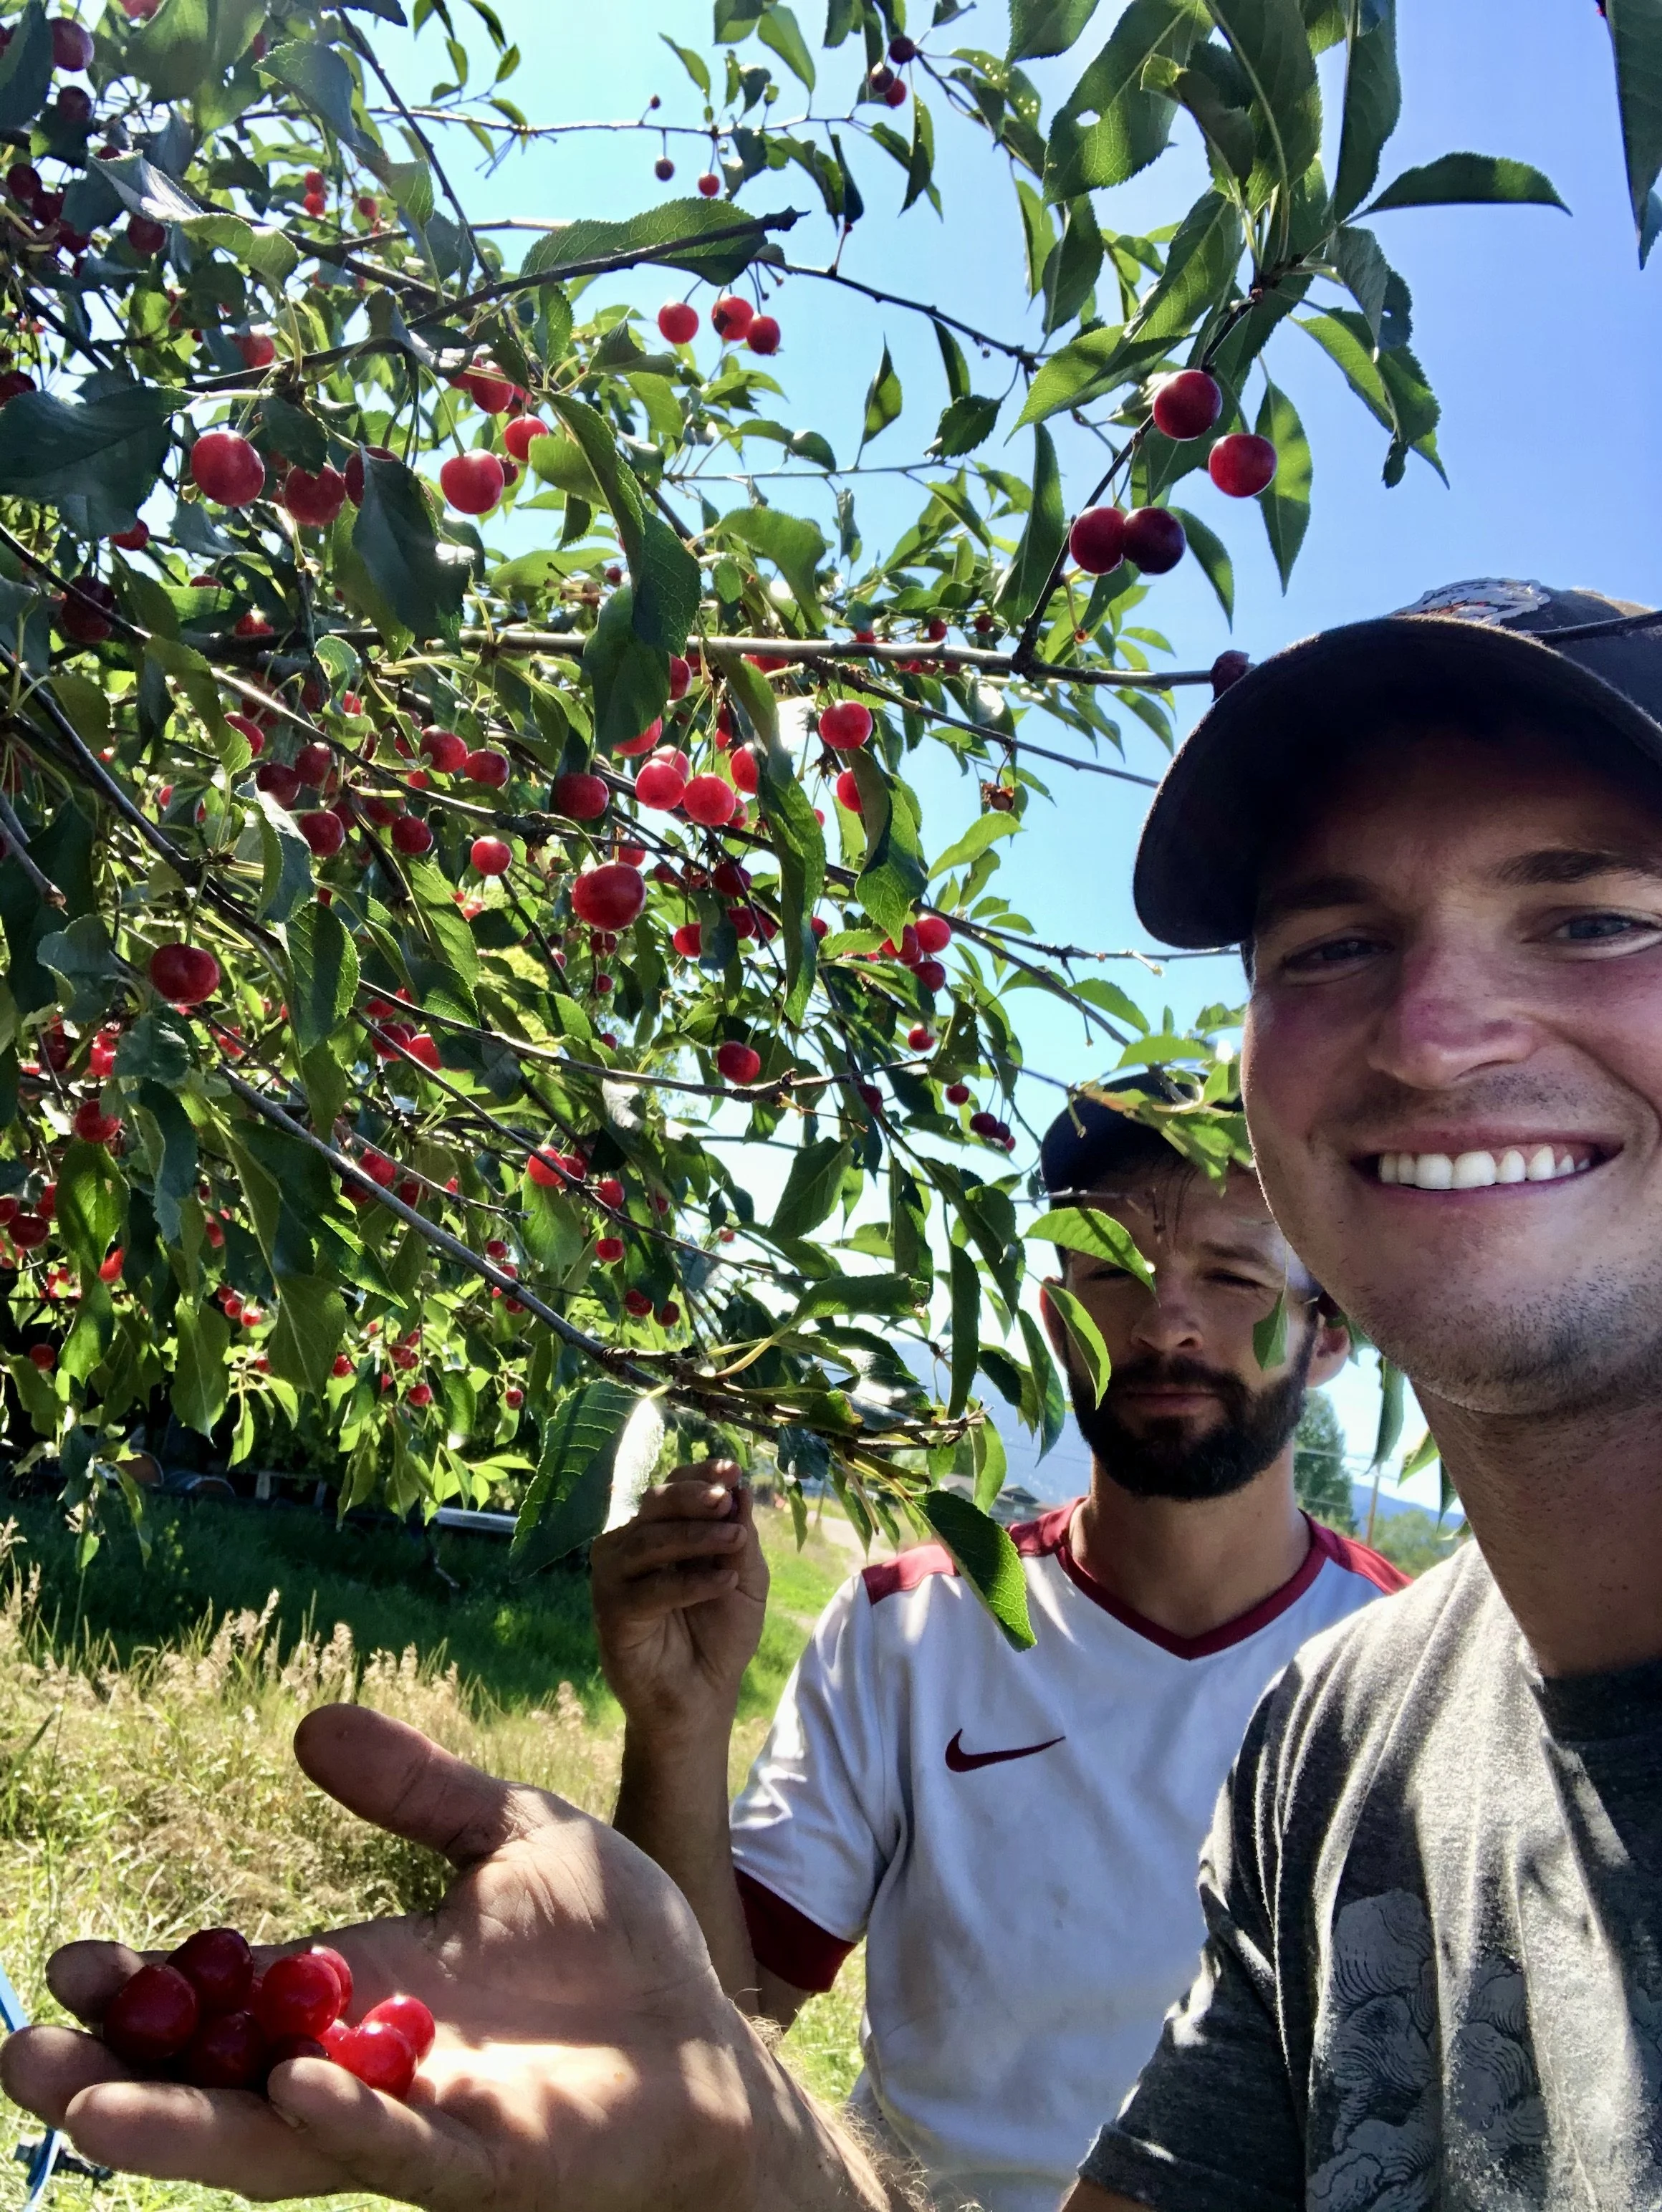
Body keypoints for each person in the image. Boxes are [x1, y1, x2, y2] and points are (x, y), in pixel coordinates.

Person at [14, 574, 1662, 2212]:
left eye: (1593, 917)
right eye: (1333, 943)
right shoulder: (1348, 1736)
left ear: (1318, 1322)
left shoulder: (1326, 1677)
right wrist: (717, 2100)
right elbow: (752, 1996)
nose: (1436, 1029)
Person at [588, 1095, 1401, 2212]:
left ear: (1331, 1333)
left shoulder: (1406, 1675)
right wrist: (678, 1727)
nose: (1167, 1325)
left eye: (1234, 1278)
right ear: (1057, 1319)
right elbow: (719, 2023)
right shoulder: (910, 1629)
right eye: (1114, 1272)